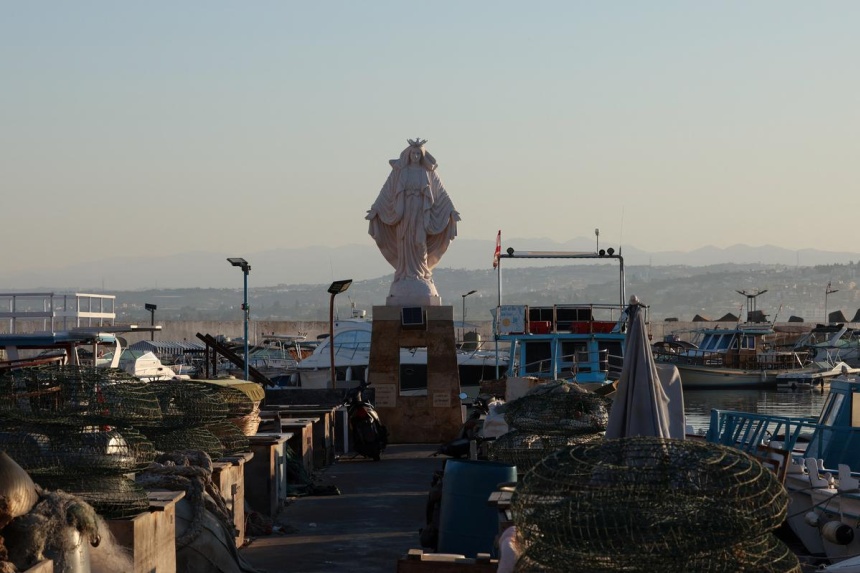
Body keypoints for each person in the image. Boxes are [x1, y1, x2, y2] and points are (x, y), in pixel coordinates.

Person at [366, 139, 460, 305]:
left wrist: (451, 210)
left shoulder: (427, 171)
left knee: (419, 242)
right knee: (405, 242)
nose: (416, 156)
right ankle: (406, 274)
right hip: (405, 213)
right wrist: (375, 209)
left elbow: (441, 193)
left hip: (421, 213)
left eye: (418, 154)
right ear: (408, 155)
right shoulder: (401, 171)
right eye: (413, 153)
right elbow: (386, 191)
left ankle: (421, 273)